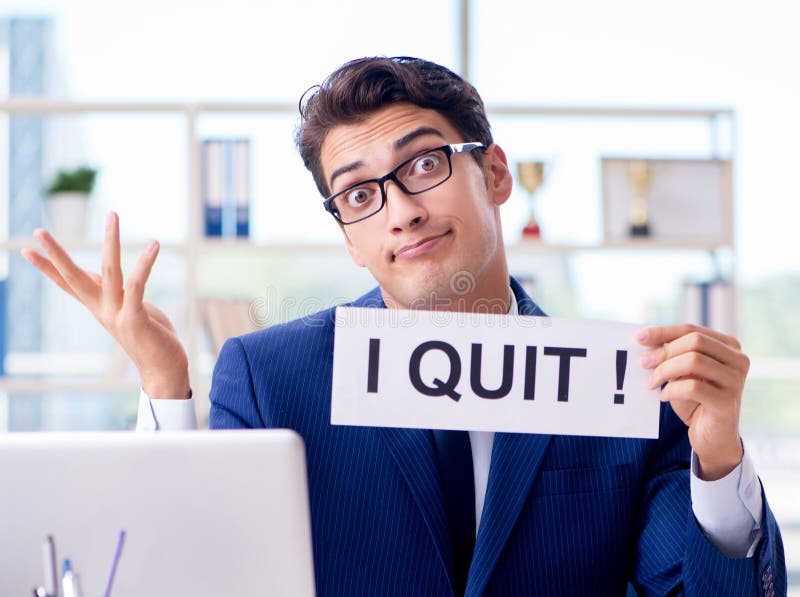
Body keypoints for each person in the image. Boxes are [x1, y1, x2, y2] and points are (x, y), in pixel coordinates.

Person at [23, 56, 785, 596]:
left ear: (493, 174)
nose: (401, 210)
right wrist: (165, 388)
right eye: (359, 195)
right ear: (348, 237)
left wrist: (716, 458)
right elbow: (197, 569)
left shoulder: (629, 385)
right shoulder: (270, 377)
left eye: (423, 166)